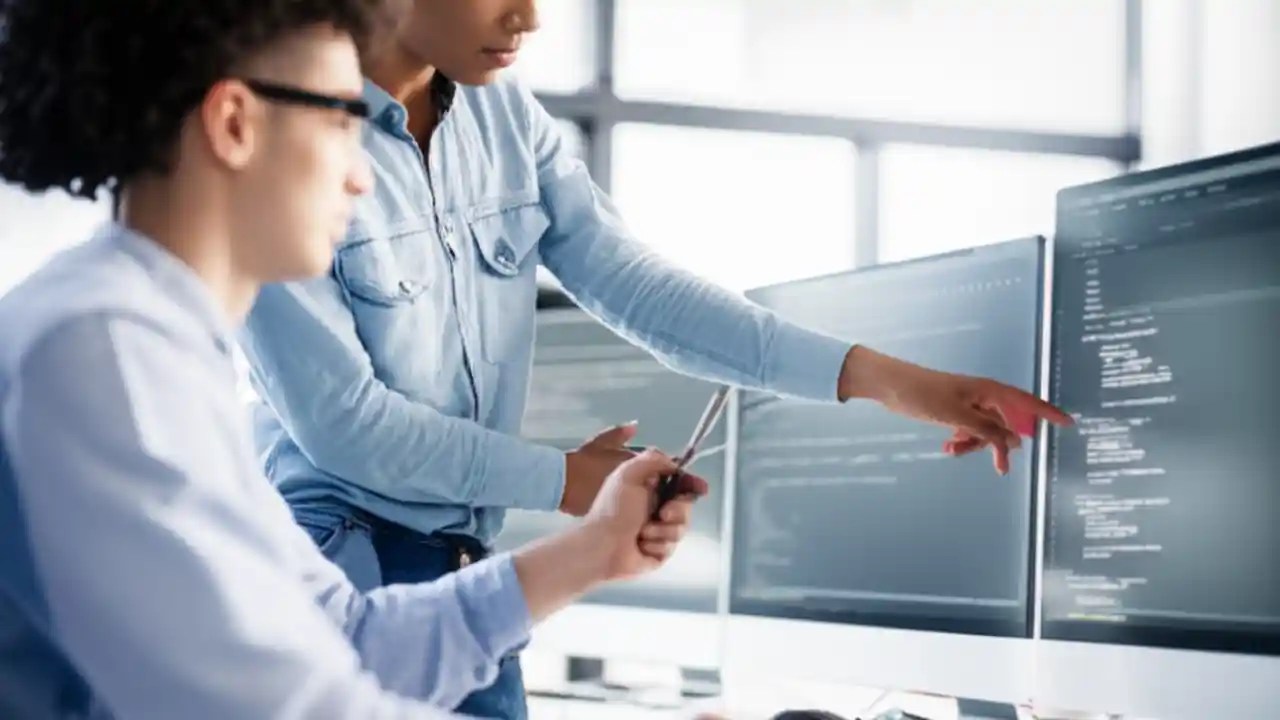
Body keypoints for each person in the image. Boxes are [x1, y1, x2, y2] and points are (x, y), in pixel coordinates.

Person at [238, 1, 1075, 717]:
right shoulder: (284, 135)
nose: (529, 17)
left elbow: (635, 287)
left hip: (464, 563)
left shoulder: (503, 116)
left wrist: (900, 384)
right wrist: (570, 482)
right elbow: (345, 428)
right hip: (343, 563)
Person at [0, 1, 703, 718]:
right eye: (344, 120)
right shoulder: (98, 353)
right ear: (235, 123)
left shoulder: (161, 349)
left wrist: (598, 549)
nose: (365, 177)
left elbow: (345, 640)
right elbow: (272, 707)